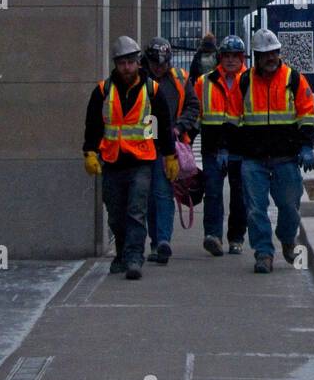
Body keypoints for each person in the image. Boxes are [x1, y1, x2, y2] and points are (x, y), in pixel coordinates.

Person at [82, 36, 177, 279]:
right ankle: (122, 252)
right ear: (115, 64)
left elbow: (163, 126)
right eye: (122, 63)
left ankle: (135, 257)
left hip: (141, 161)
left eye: (131, 62)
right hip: (112, 161)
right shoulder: (103, 91)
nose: (127, 67)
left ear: (138, 62)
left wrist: (169, 156)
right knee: (115, 213)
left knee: (136, 210)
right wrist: (90, 152)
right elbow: (92, 126)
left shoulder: (152, 90)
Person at [238, 28, 314, 274]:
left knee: (289, 206)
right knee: (255, 209)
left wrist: (306, 146)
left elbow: (307, 114)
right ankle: (263, 253)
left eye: (273, 53)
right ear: (256, 57)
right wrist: (228, 148)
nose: (270, 58)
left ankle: (287, 240)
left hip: (286, 158)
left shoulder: (294, 79)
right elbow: (233, 117)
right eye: (265, 54)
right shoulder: (245, 81)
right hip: (253, 159)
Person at [143, 37, 199, 265]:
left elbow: (193, 106)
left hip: (167, 144)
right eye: (155, 63)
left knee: (163, 192)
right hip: (140, 144)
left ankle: (163, 241)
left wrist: (180, 127)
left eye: (163, 64)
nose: (159, 68)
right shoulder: (139, 79)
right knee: (146, 198)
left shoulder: (179, 78)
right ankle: (155, 239)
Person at [195, 34, 248, 256]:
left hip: (240, 149)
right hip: (212, 148)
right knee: (213, 193)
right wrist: (182, 144)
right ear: (220, 57)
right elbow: (195, 114)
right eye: (226, 55)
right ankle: (213, 235)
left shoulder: (250, 80)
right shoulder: (204, 82)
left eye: (235, 56)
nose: (230, 60)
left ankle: (236, 238)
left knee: (239, 196)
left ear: (242, 57)